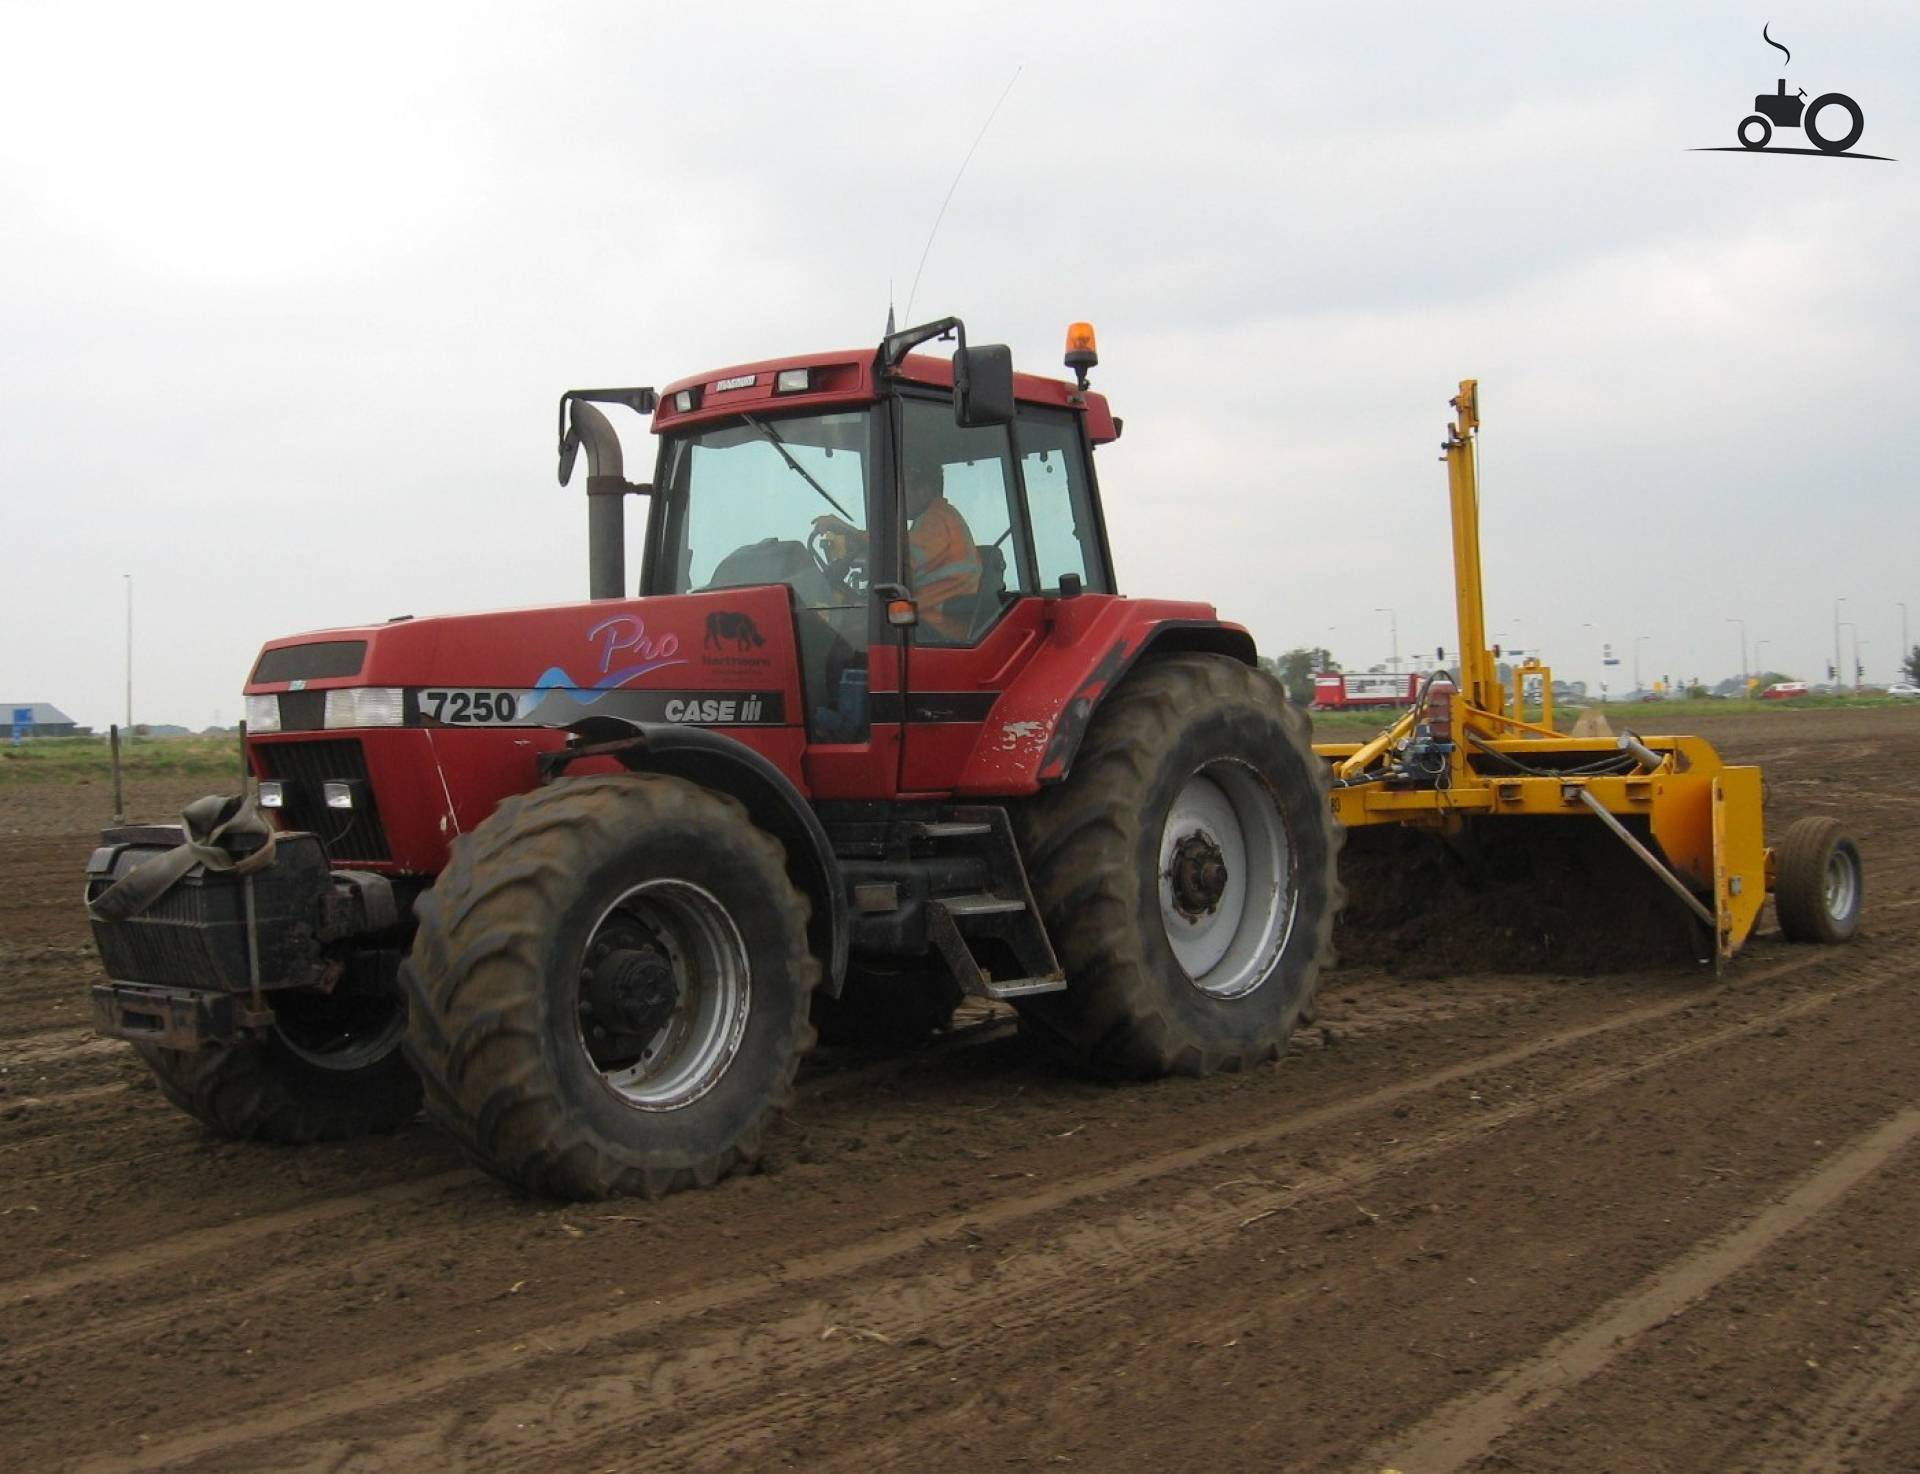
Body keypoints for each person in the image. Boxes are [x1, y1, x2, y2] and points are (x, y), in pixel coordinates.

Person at [813, 448, 982, 643]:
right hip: (928, 620)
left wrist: (850, 531)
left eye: (904, 490)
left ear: (925, 491)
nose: (899, 498)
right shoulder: (942, 518)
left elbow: (900, 555)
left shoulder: (936, 520)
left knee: (842, 636)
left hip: (936, 626)